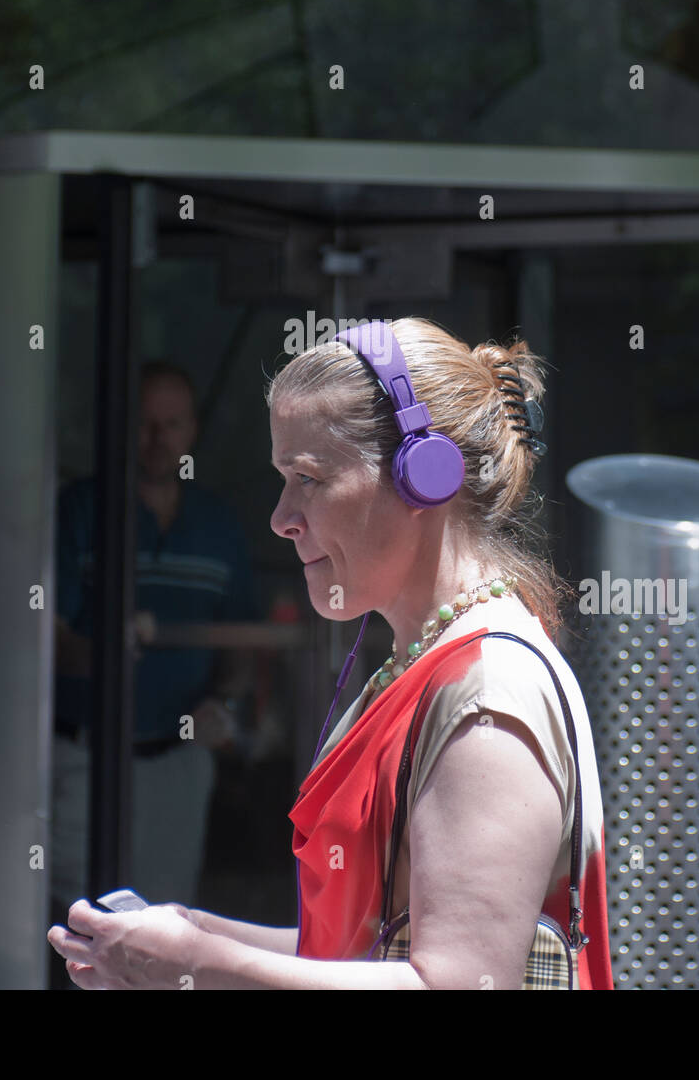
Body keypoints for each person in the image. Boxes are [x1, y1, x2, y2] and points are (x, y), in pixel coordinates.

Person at [49, 316, 613, 989]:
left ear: (424, 477)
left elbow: (453, 983)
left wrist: (197, 966)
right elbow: (361, 944)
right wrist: (191, 934)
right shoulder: (422, 668)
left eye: (308, 478)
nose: (280, 517)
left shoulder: (487, 692)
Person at [49, 361, 258, 968]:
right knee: (76, 936)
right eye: (144, 424)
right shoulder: (82, 509)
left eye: (171, 424)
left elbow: (242, 642)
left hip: (177, 760)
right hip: (82, 758)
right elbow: (50, 639)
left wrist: (228, 703)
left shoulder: (217, 523)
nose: (157, 439)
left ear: (192, 431)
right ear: (118, 428)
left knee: (164, 938)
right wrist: (111, 651)